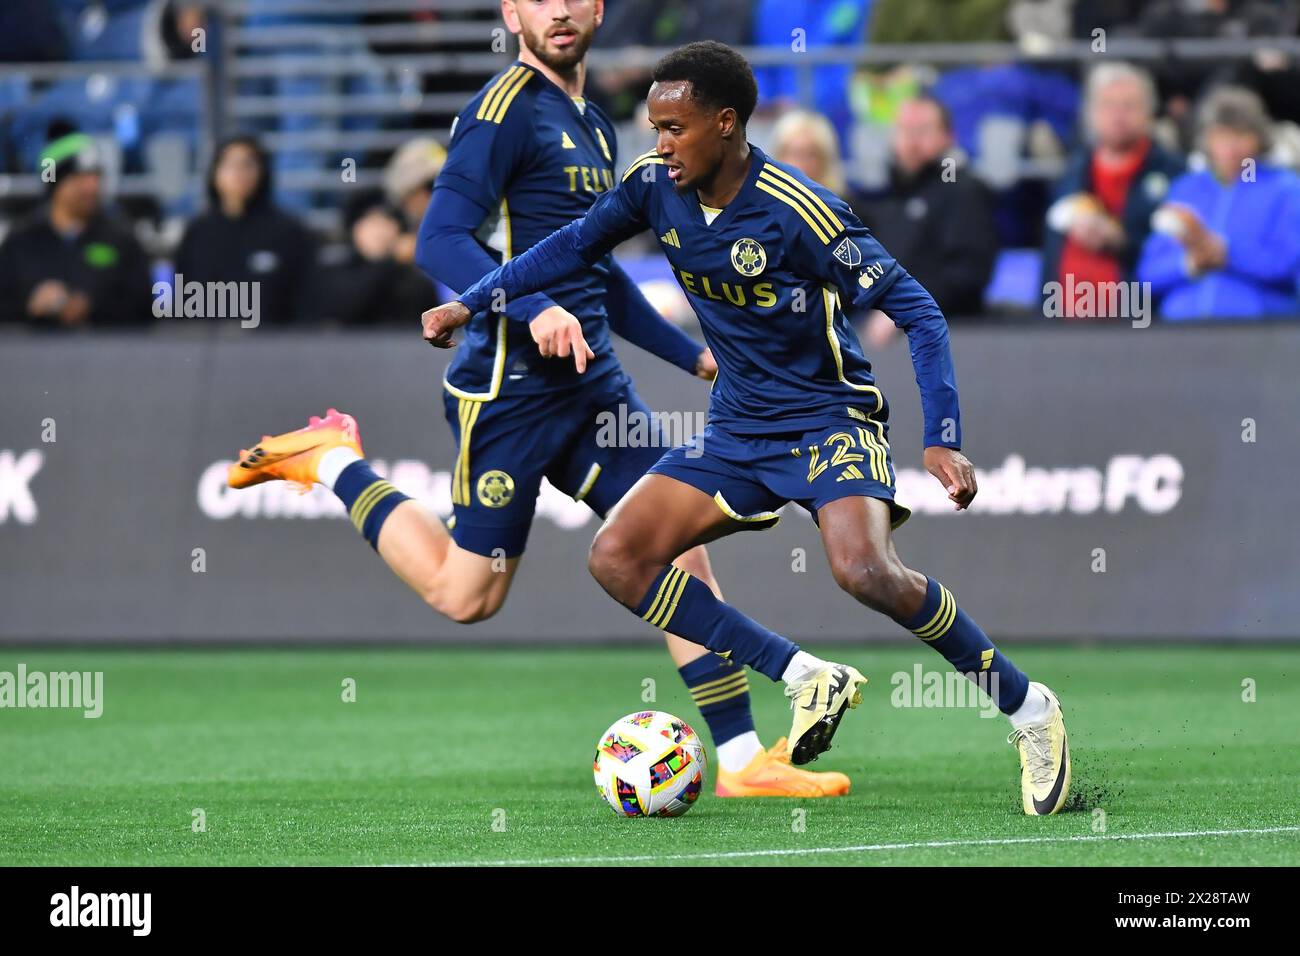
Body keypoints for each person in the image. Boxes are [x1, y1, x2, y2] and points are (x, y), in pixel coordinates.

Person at [423, 40, 1074, 814]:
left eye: (676, 128)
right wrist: (474, 300)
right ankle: (805, 675)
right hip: (737, 427)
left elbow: (919, 312)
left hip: (828, 417)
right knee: (617, 558)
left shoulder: (800, 210)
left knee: (865, 572)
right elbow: (566, 247)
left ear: (725, 124)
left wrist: (943, 436)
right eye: (654, 127)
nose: (660, 145)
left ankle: (1030, 710)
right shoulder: (651, 188)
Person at [225, 1, 848, 799]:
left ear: (596, 9)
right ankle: (334, 461)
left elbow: (598, 274)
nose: (557, 9)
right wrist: (531, 307)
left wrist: (691, 354)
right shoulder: (501, 113)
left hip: (593, 388)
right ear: (510, 11)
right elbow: (440, 241)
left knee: (677, 537)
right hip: (508, 391)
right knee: (466, 594)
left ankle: (741, 762)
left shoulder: (592, 120)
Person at [1138, 85, 1300, 320]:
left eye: (1242, 134)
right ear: (1207, 139)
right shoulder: (1186, 188)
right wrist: (1190, 263)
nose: (1232, 148)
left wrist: (1227, 254)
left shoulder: (1284, 188)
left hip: (1260, 330)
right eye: (1222, 135)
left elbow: (1286, 263)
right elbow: (1148, 273)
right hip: (1181, 330)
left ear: (1259, 138)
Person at [1042, 63, 1184, 319]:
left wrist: (1122, 241)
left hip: (1140, 324)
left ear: (1149, 113)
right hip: (1063, 324)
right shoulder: (1074, 169)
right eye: (1108, 106)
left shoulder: (1175, 173)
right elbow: (1051, 247)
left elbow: (1181, 253)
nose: (1118, 116)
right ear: (1091, 113)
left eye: (1129, 106)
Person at [854, 94, 998, 322]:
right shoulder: (883, 198)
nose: (912, 142)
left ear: (949, 137)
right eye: (904, 130)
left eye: (923, 131)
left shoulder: (964, 191)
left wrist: (906, 309)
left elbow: (967, 276)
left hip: (949, 334)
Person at [0, 131, 152, 327]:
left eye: (96, 176)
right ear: (54, 183)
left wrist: (90, 308)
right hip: (34, 354)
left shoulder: (122, 239)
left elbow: (145, 307)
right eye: (79, 177)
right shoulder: (20, 242)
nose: (92, 187)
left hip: (106, 353)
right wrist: (31, 306)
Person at [174, 136, 318, 324]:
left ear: (262, 172)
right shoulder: (197, 233)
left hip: (274, 345)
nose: (237, 173)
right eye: (229, 165)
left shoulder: (289, 233)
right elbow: (183, 301)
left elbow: (307, 300)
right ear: (214, 173)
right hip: (208, 345)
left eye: (247, 165)